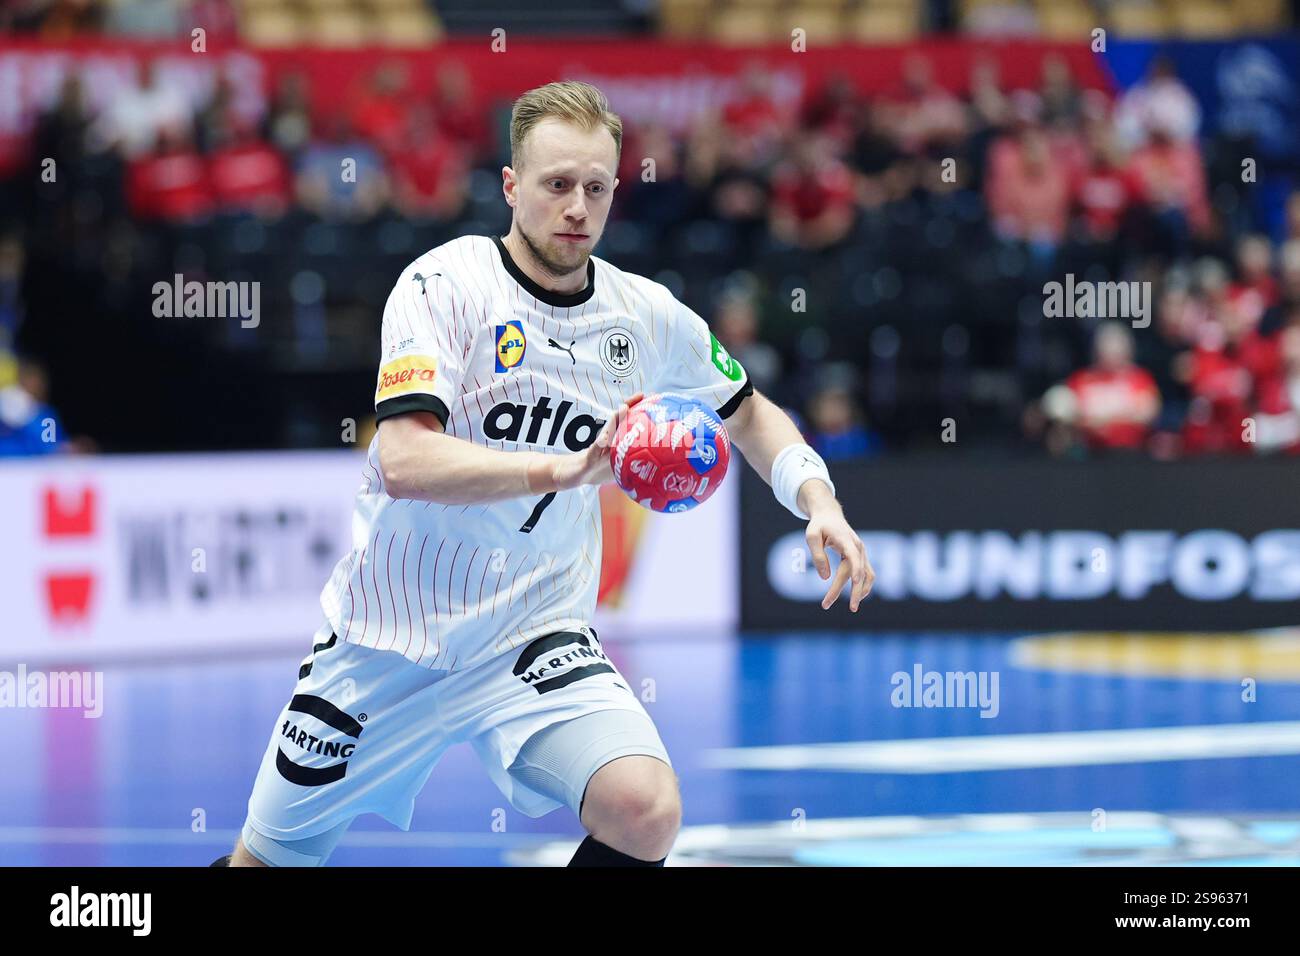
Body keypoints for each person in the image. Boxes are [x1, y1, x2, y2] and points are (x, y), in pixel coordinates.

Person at [219, 81, 873, 868]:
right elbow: (404, 458)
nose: (577, 207)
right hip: (390, 639)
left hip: (535, 634)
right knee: (266, 860)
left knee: (645, 809)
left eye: (596, 188)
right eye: (557, 184)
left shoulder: (645, 313)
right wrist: (563, 469)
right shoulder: (445, 284)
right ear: (511, 185)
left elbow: (750, 412)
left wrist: (818, 500)